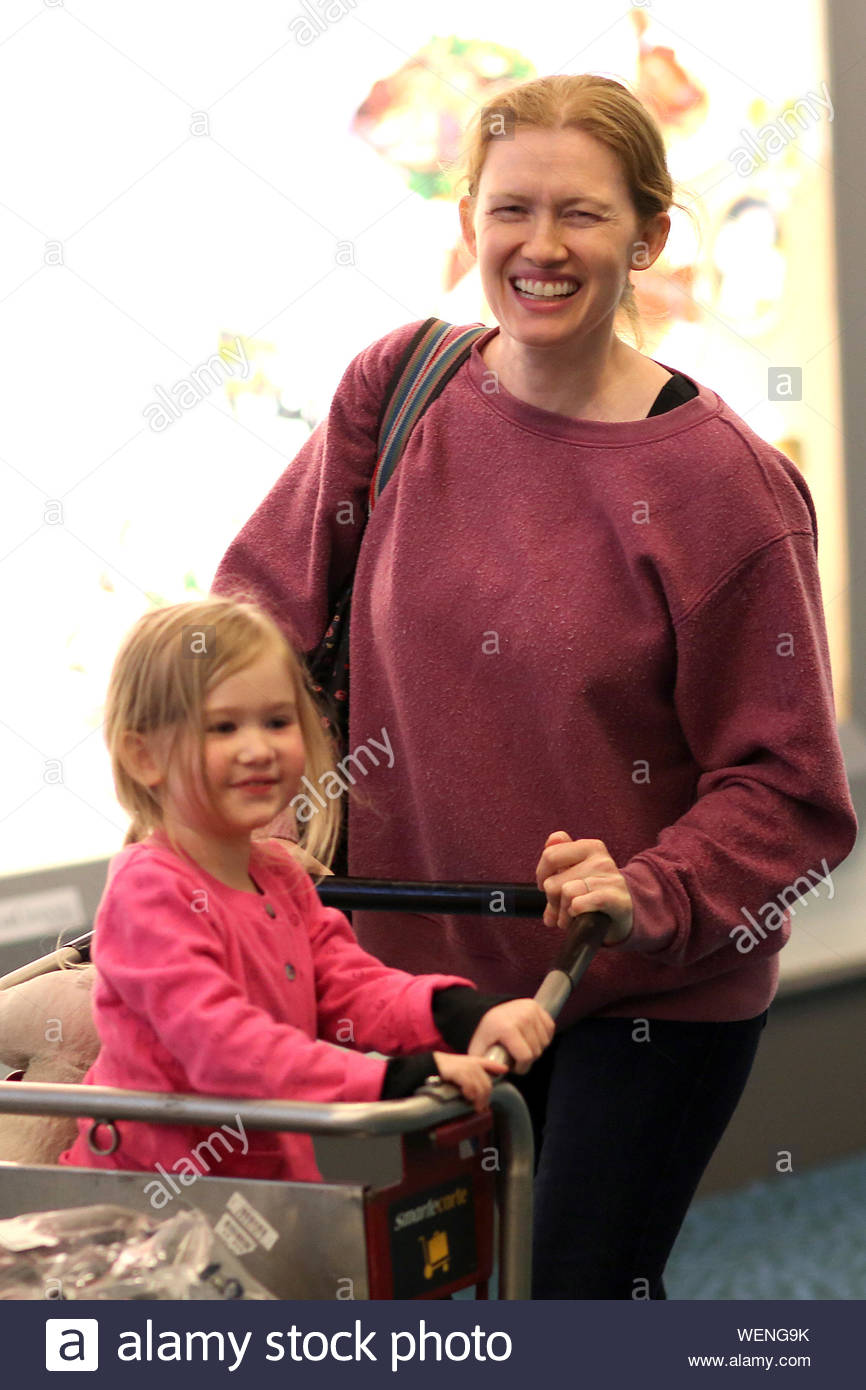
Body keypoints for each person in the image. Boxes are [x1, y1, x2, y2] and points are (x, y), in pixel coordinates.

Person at [207, 73, 858, 1297]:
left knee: (569, 1304)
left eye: (582, 215)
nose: (540, 248)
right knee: (420, 1300)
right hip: (410, 986)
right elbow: (250, 628)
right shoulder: (395, 389)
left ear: (650, 238)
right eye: (510, 211)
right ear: (468, 223)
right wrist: (218, 770)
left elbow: (790, 793)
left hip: (639, 998)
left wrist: (646, 886)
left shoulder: (728, 492)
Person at [55, 597, 554, 1183]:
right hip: (152, 1205)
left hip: (268, 1186)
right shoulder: (148, 891)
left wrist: (457, 1013)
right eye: (222, 727)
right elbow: (225, 1048)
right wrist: (387, 1081)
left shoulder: (280, 875)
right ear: (144, 756)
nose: (259, 748)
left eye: (276, 721)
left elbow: (347, 985)